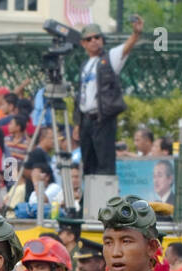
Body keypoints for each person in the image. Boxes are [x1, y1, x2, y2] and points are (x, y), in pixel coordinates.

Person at [75, 19, 143, 177]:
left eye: (97, 37)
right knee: (88, 164)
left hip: (102, 119)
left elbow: (126, 48)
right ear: (83, 43)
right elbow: (80, 95)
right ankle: (89, 199)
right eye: (89, 39)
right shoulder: (84, 65)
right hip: (86, 119)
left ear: (102, 39)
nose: (93, 41)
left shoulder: (109, 58)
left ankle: (104, 199)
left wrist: (136, 33)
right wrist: (78, 123)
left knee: (104, 164)